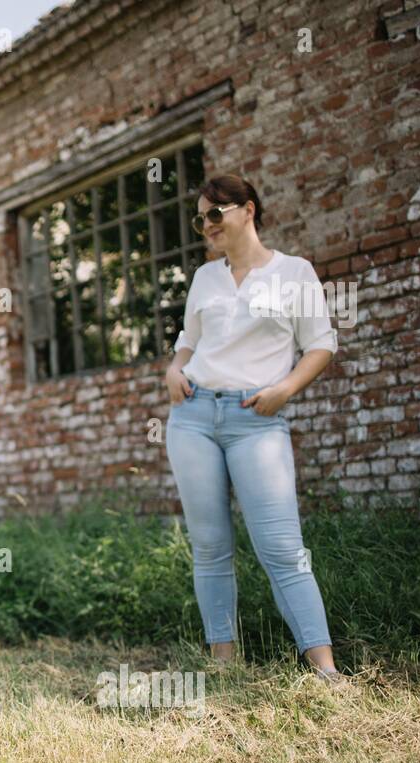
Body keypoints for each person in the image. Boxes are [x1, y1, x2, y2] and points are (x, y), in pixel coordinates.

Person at [164, 175, 343, 682]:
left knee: (283, 547)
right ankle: (223, 663)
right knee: (211, 544)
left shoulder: (294, 272)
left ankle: (325, 669)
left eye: (214, 214)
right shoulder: (204, 278)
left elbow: (321, 344)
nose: (206, 225)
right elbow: (188, 339)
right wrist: (174, 368)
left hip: (257, 421)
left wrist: (286, 389)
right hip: (194, 417)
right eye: (200, 219)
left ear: (247, 210)